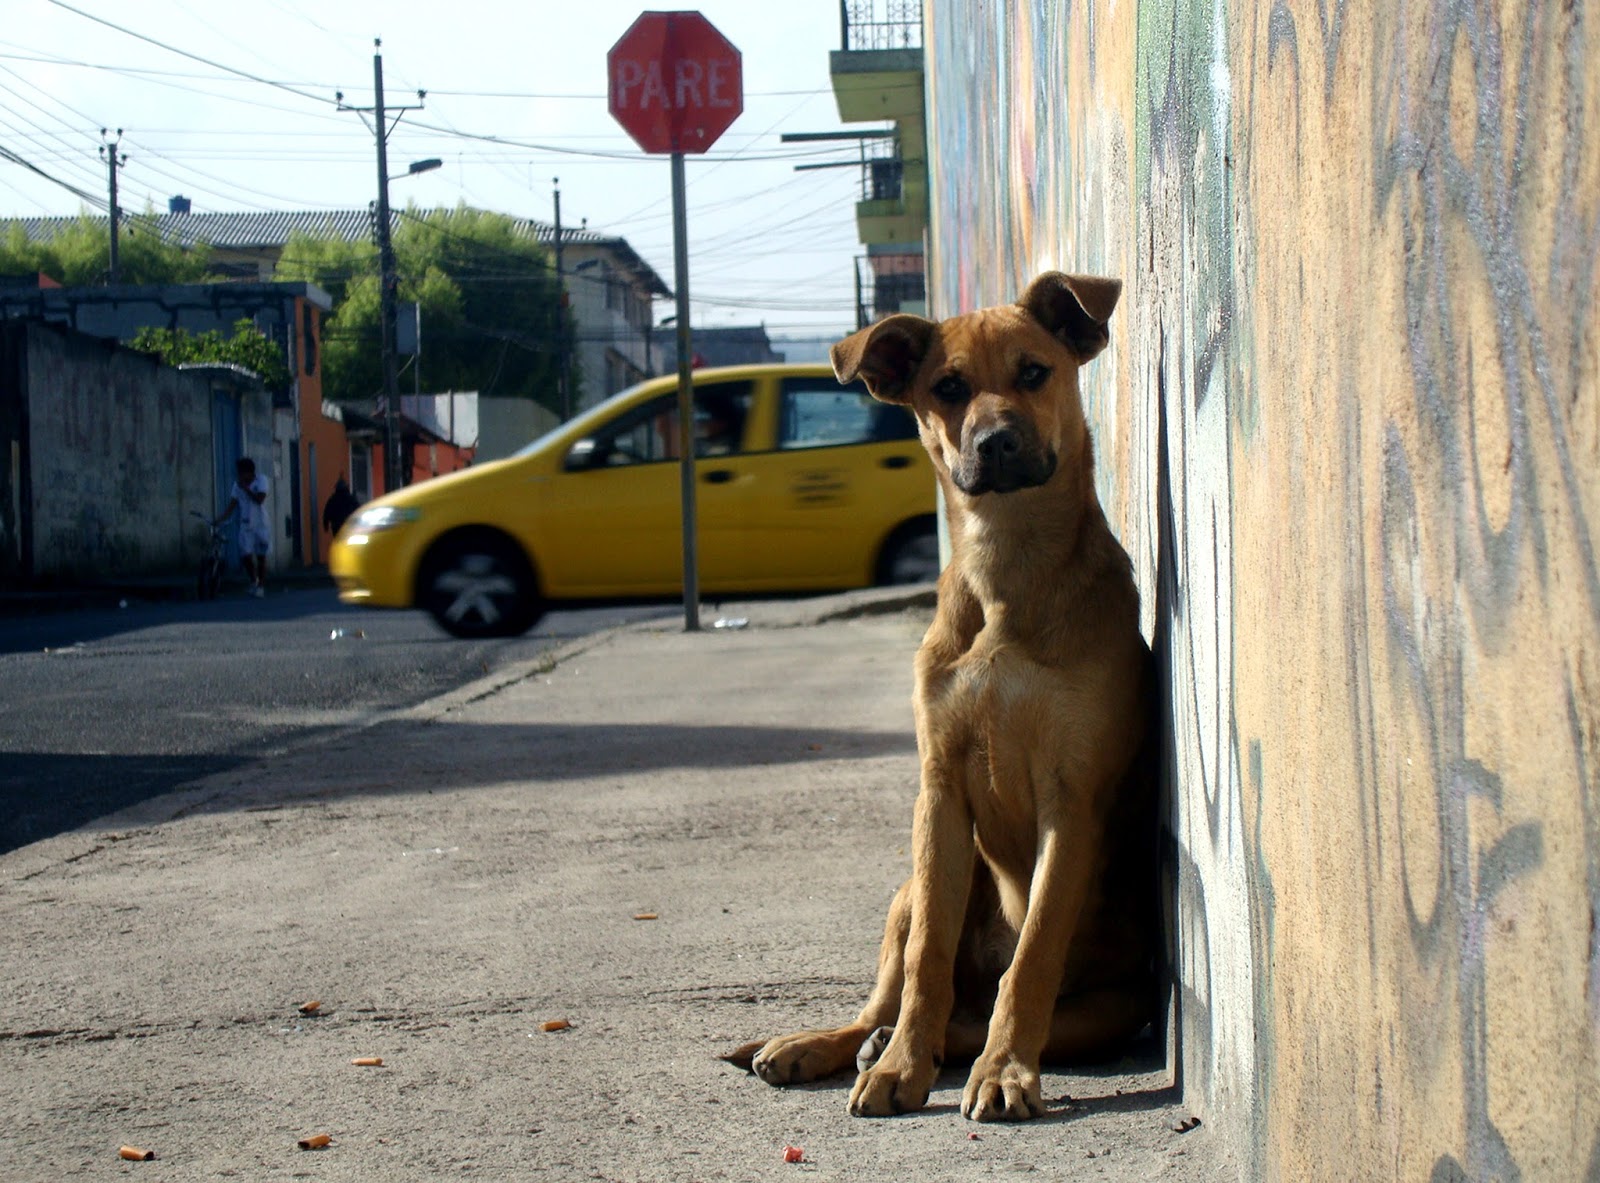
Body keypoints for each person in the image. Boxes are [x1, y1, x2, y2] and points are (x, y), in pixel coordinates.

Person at [216, 457, 270, 597]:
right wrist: (220, 519)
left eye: (242, 473)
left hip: (261, 524)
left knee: (261, 556)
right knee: (245, 555)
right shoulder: (237, 486)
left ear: (249, 472)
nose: (239, 476)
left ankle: (261, 586)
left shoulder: (261, 480)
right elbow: (232, 505)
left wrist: (246, 489)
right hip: (246, 525)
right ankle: (253, 581)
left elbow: (260, 499)